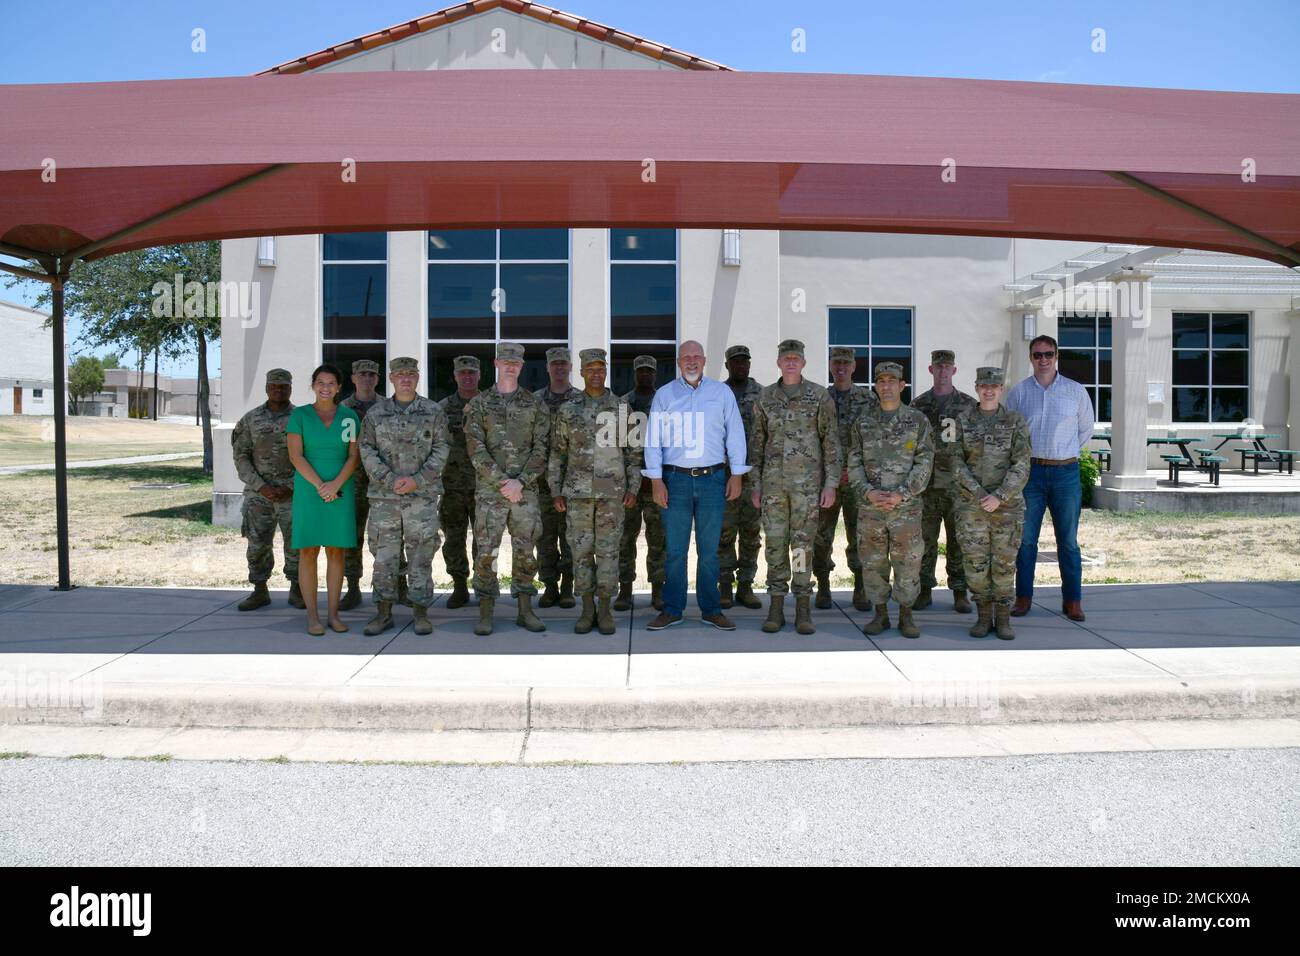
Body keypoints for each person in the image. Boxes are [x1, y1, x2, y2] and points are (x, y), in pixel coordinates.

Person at [643, 340, 749, 631]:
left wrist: (736, 474)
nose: (691, 361)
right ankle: (673, 608)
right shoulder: (665, 395)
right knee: (675, 550)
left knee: (709, 550)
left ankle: (711, 609)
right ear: (678, 362)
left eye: (696, 357)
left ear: (704, 360)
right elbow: (653, 439)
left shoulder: (721, 393)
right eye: (685, 357)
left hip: (713, 480)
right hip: (674, 481)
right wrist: (656, 481)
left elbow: (735, 435)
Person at [748, 339, 840, 634]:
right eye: (785, 358)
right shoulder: (765, 398)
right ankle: (776, 607)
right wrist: (756, 486)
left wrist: (831, 485)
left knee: (802, 547)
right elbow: (756, 446)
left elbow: (831, 444)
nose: (790, 363)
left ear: (803, 363)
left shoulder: (819, 397)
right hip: (774, 488)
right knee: (775, 546)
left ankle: (802, 607)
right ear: (778, 363)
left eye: (795, 358)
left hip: (807, 489)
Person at [549, 348, 641, 635]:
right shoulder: (568, 409)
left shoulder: (623, 408)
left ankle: (605, 609)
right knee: (581, 552)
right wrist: (555, 489)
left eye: (601, 368)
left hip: (611, 494)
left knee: (609, 552)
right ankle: (586, 609)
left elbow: (634, 453)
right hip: (576, 493)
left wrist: (634, 486)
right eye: (590, 368)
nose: (596, 373)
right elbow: (557, 453)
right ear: (582, 372)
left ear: (606, 371)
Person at [1005, 334, 1095, 622]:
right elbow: (1012, 433)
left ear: (1057, 356)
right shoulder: (1019, 393)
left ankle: (1073, 601)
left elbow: (1085, 430)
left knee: (1068, 541)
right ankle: (1023, 598)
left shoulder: (1075, 391)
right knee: (1026, 540)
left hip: (1065, 473)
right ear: (1031, 358)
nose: (1043, 359)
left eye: (1049, 354)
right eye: (1037, 354)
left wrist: (1063, 453)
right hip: (1030, 473)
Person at [357, 356, 450, 637]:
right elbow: (366, 450)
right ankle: (383, 612)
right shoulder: (376, 414)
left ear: (418, 377)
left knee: (421, 555)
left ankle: (420, 612)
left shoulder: (433, 412)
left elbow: (442, 449)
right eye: (400, 374)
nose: (406, 379)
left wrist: (417, 480)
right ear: (392, 378)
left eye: (411, 374)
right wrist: (391, 479)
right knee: (384, 557)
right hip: (385, 499)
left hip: (421, 498)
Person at [464, 342, 550, 636]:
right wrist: (504, 482)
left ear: (522, 366)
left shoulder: (535, 404)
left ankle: (525, 610)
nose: (511, 366)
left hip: (524, 494)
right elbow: (475, 449)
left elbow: (542, 447)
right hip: (491, 493)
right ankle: (486, 611)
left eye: (516, 362)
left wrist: (521, 481)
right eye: (506, 361)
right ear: (496, 363)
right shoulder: (478, 404)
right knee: (486, 553)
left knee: (526, 551)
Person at [847, 362, 935, 639]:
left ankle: (906, 615)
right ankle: (881, 614)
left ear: (902, 385)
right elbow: (854, 462)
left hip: (906, 509)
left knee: (907, 562)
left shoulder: (917, 421)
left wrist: (902, 493)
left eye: (892, 381)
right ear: (875, 386)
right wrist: (868, 492)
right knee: (873, 563)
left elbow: (924, 462)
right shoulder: (863, 421)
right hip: (871, 508)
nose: (886, 386)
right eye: (881, 381)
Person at [954, 367, 1032, 640]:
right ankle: (983, 616)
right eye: (984, 386)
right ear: (976, 387)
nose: (989, 390)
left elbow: (1022, 464)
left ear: (1001, 389)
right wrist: (979, 494)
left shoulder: (1015, 421)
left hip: (1007, 507)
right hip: (972, 507)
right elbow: (954, 462)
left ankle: (1002, 618)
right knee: (975, 564)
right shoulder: (960, 421)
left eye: (995, 386)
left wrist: (999, 495)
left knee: (1004, 563)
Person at [285, 364, 361, 635]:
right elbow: (296, 456)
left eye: (331, 383)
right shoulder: (300, 416)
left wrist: (335, 484)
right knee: (308, 551)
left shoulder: (349, 417)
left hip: (341, 488)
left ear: (339, 387)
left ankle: (333, 615)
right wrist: (321, 486)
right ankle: (312, 617)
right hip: (309, 490)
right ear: (313, 385)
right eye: (320, 382)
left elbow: (353, 456)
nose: (325, 387)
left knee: (336, 550)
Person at [910, 349, 979, 613]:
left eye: (947, 367)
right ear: (931, 370)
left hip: (958, 486)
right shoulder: (918, 405)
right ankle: (924, 589)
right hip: (926, 487)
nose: (942, 371)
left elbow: (975, 444)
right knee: (925, 540)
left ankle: (960, 591)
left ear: (954, 370)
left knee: (958, 540)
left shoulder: (968, 405)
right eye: (938, 367)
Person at [231, 368, 304, 612]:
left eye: (283, 386)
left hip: (292, 494)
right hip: (258, 496)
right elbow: (240, 456)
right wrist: (261, 487)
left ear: (290, 388)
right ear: (266, 388)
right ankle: (259, 589)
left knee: (297, 544)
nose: (278, 390)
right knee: (257, 543)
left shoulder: (302, 418)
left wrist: (290, 486)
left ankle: (297, 589)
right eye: (274, 386)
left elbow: (312, 456)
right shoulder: (251, 420)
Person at [814, 346, 877, 612]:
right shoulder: (820, 397)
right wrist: (831, 472)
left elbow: (874, 439)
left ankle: (860, 586)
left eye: (845, 364)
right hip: (825, 481)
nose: (840, 368)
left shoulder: (868, 398)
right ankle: (824, 586)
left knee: (859, 535)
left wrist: (852, 470)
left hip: (857, 481)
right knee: (821, 536)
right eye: (836, 363)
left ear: (853, 367)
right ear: (830, 366)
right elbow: (812, 439)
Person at [615, 354, 666, 612]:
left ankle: (658, 590)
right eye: (640, 371)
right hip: (628, 489)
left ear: (655, 374)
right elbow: (616, 447)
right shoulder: (623, 405)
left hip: (658, 485)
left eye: (649, 371)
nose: (645, 375)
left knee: (658, 540)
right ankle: (625, 590)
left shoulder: (665, 403)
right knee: (625, 540)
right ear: (634, 374)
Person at [717, 344, 764, 610]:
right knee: (724, 533)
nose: (740, 366)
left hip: (754, 478)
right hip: (724, 478)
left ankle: (746, 586)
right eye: (735, 362)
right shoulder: (718, 394)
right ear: (728, 366)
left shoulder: (764, 395)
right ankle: (725, 585)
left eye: (744, 362)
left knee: (751, 533)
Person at [535, 347, 582, 610]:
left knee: (571, 536)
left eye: (564, 363)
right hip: (541, 482)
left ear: (571, 367)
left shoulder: (579, 400)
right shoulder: (535, 401)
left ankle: (567, 587)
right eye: (555, 364)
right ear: (547, 368)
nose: (559, 368)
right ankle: (549, 586)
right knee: (544, 537)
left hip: (574, 481)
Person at [437, 355, 481, 610]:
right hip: (451, 486)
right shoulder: (442, 408)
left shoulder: (488, 404)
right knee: (453, 538)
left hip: (483, 487)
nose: (467, 377)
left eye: (471, 372)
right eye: (462, 372)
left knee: (484, 541)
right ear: (455, 376)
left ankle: (483, 586)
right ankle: (459, 585)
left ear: (479, 375)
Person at [339, 359, 383, 611]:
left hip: (381, 484)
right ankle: (353, 587)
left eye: (371, 374)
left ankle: (396, 584)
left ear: (377, 379)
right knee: (351, 538)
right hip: (352, 484)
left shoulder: (388, 407)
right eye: (361, 374)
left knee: (388, 536)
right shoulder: (343, 410)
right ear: (353, 378)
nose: (367, 378)